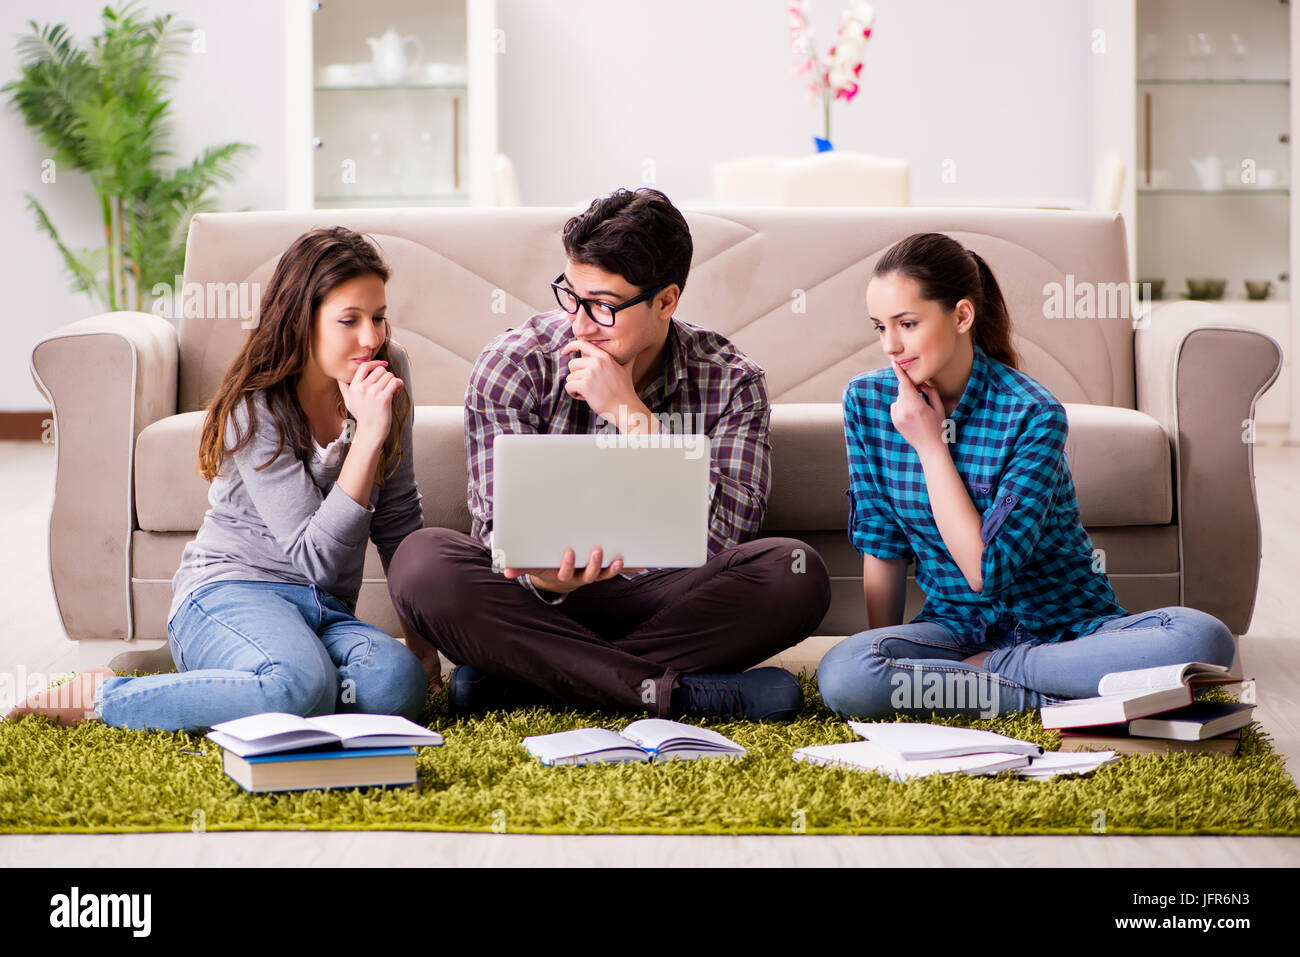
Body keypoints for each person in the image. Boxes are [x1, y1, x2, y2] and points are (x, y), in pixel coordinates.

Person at [387, 188, 831, 722]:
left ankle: (523, 683)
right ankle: (681, 694)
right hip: (539, 607)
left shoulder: (732, 381)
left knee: (796, 573)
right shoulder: (514, 364)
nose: (579, 324)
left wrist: (632, 415)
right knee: (421, 563)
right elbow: (496, 535)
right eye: (570, 296)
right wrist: (545, 578)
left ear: (666, 301)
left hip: (671, 600)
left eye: (603, 306)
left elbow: (725, 537)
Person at [7, 227, 428, 730]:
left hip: (324, 610)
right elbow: (318, 559)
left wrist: (423, 650)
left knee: (395, 683)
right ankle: (107, 695)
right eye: (349, 320)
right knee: (300, 687)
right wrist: (368, 436)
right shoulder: (257, 407)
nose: (372, 339)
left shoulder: (387, 370)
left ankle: (242, 675)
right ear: (302, 321)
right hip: (232, 590)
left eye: (378, 317)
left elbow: (399, 518)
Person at [816, 231, 1236, 720]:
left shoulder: (1032, 412)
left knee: (1204, 637)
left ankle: (1002, 675)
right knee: (847, 672)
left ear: (962, 315)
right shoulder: (867, 402)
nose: (891, 346)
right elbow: (882, 547)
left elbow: (985, 572)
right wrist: (880, 650)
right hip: (956, 633)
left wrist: (930, 445)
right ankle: (1070, 696)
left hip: (1068, 631)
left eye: (907, 324)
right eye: (879, 328)